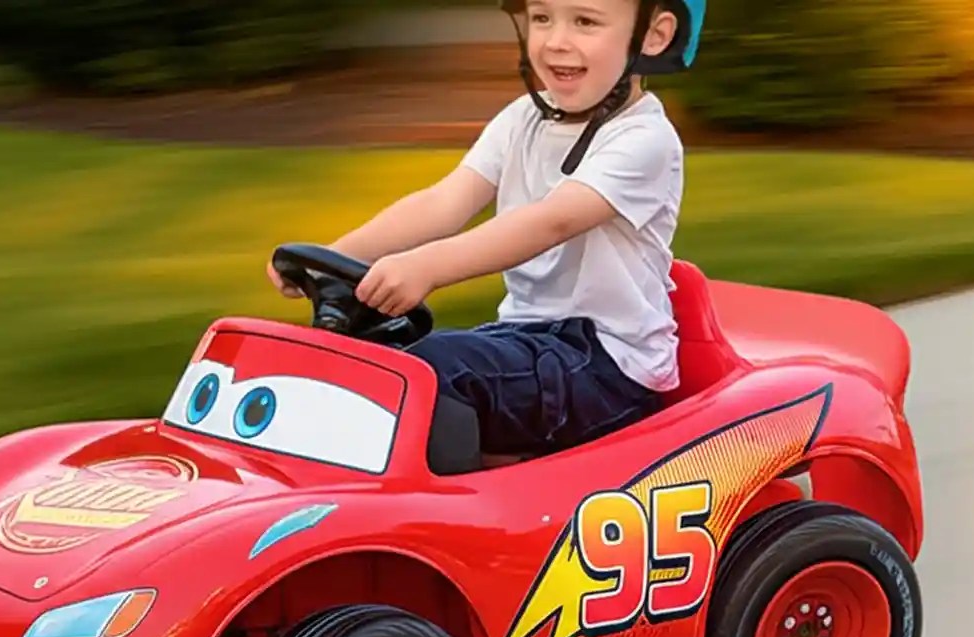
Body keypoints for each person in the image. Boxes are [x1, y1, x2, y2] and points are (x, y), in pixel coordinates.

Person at [267, 0, 707, 462]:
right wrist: (334, 255)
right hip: (527, 339)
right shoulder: (523, 119)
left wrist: (428, 267)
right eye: (541, 18)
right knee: (383, 357)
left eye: (585, 21)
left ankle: (442, 521)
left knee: (429, 375)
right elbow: (442, 203)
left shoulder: (644, 140)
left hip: (609, 368)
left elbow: (550, 221)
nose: (556, 40)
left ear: (653, 37)